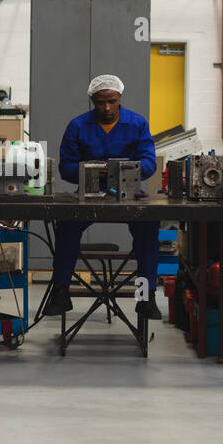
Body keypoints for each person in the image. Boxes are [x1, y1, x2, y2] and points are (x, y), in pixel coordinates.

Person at [42, 75, 163, 320]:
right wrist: (92, 168)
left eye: (111, 101)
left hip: (129, 195)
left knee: (147, 230)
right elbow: (66, 167)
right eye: (99, 103)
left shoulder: (137, 124)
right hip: (88, 195)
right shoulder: (77, 126)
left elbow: (149, 164)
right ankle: (61, 292)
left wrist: (123, 167)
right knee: (67, 226)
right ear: (92, 101)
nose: (106, 108)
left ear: (120, 99)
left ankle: (145, 297)